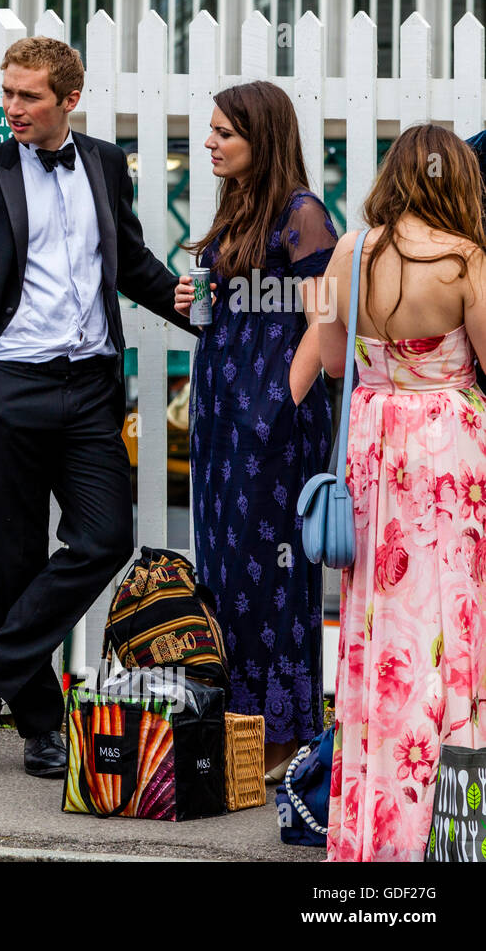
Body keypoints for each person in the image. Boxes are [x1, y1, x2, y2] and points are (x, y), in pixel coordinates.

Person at [0, 36, 199, 778]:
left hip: (89, 387)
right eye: (7, 93)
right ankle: (41, 725)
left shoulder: (107, 165)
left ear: (68, 99)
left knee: (105, 537)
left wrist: (192, 307)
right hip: (9, 387)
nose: (13, 107)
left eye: (29, 96)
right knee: (16, 557)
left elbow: (130, 264)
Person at [318, 124, 486, 862]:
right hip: (446, 455)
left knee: (377, 631)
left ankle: (374, 830)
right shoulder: (463, 259)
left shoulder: (350, 252)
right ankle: (452, 833)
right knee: (452, 637)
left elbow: (331, 362)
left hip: (374, 451)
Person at [173, 81, 337, 780]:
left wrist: (279, 405)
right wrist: (192, 301)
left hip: (274, 417)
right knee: (225, 567)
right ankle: (240, 725)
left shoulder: (303, 214)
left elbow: (325, 320)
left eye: (223, 133)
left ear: (260, 138)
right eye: (209, 131)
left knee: (272, 574)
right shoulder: (234, 206)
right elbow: (233, 311)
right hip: (220, 410)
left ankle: (283, 731)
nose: (208, 143)